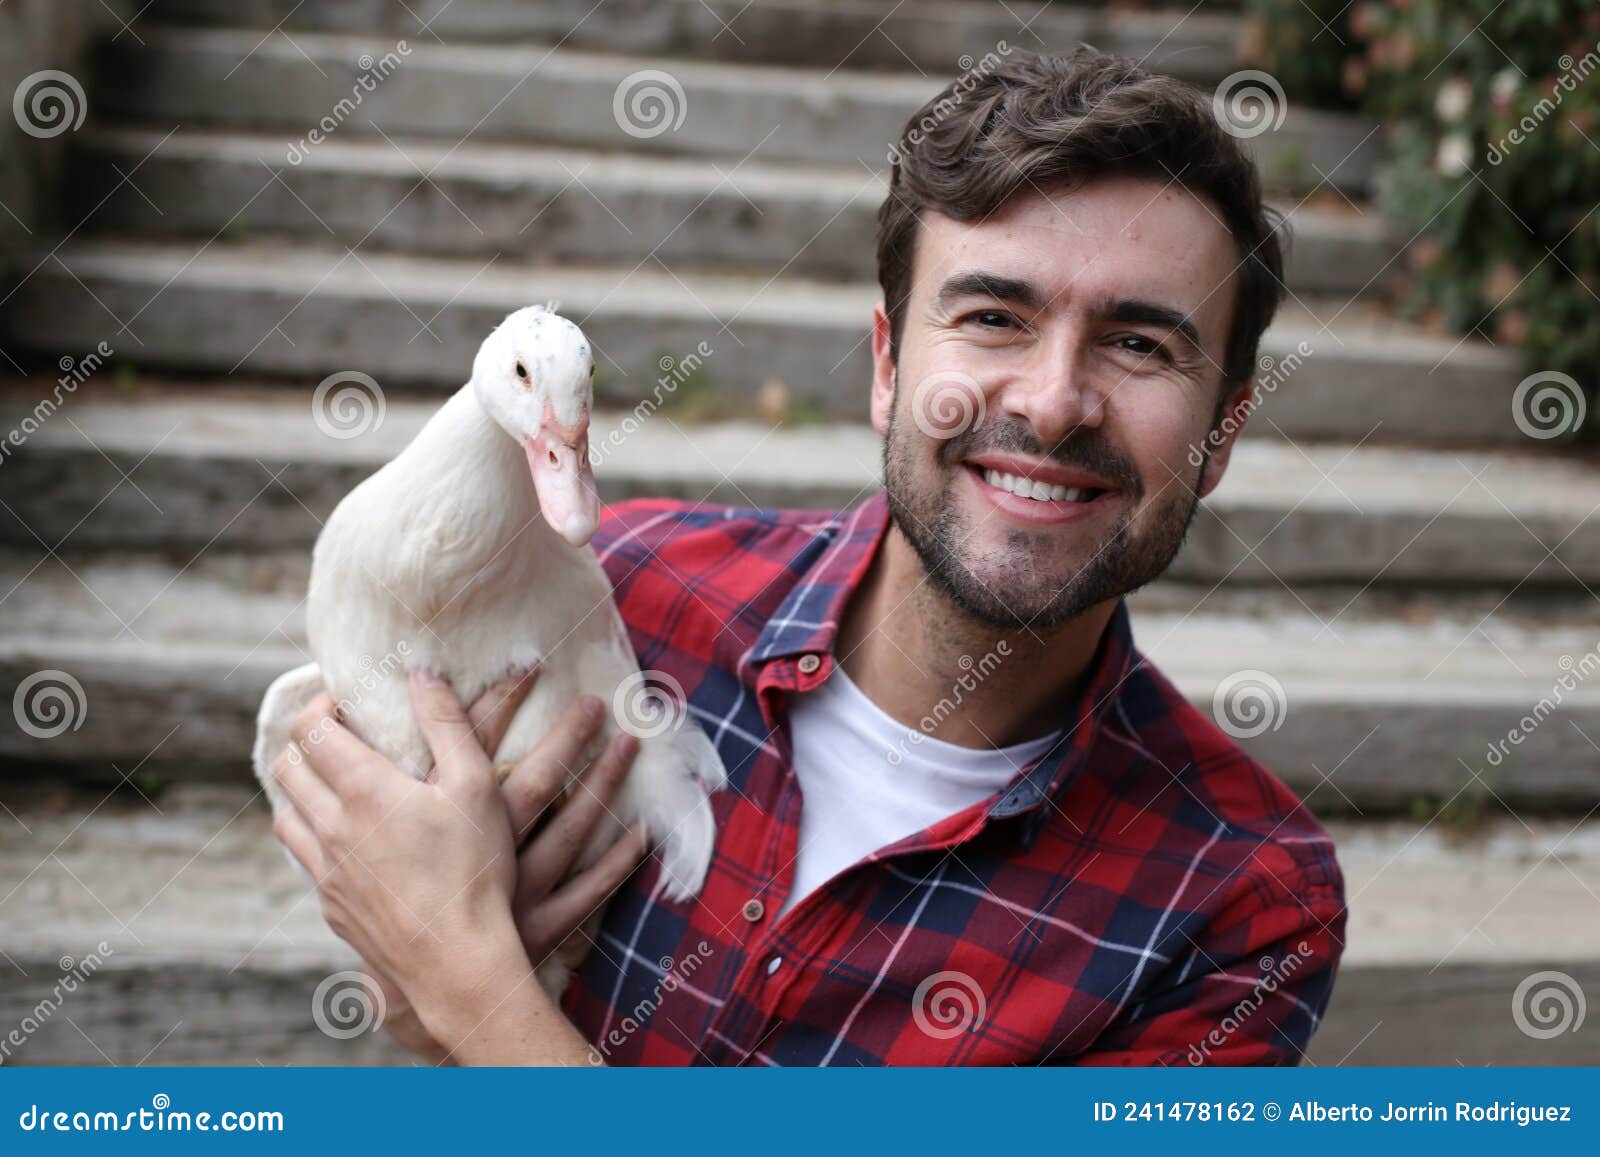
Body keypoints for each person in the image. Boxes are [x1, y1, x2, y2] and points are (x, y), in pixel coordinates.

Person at [269, 47, 1346, 1066]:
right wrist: (418, 977)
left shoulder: (1242, 909)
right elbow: (401, 950)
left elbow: (455, 982)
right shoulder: (616, 593)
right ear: (886, 364)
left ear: (1223, 429)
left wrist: (474, 988)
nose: (1053, 402)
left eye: (1138, 343)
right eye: (991, 316)